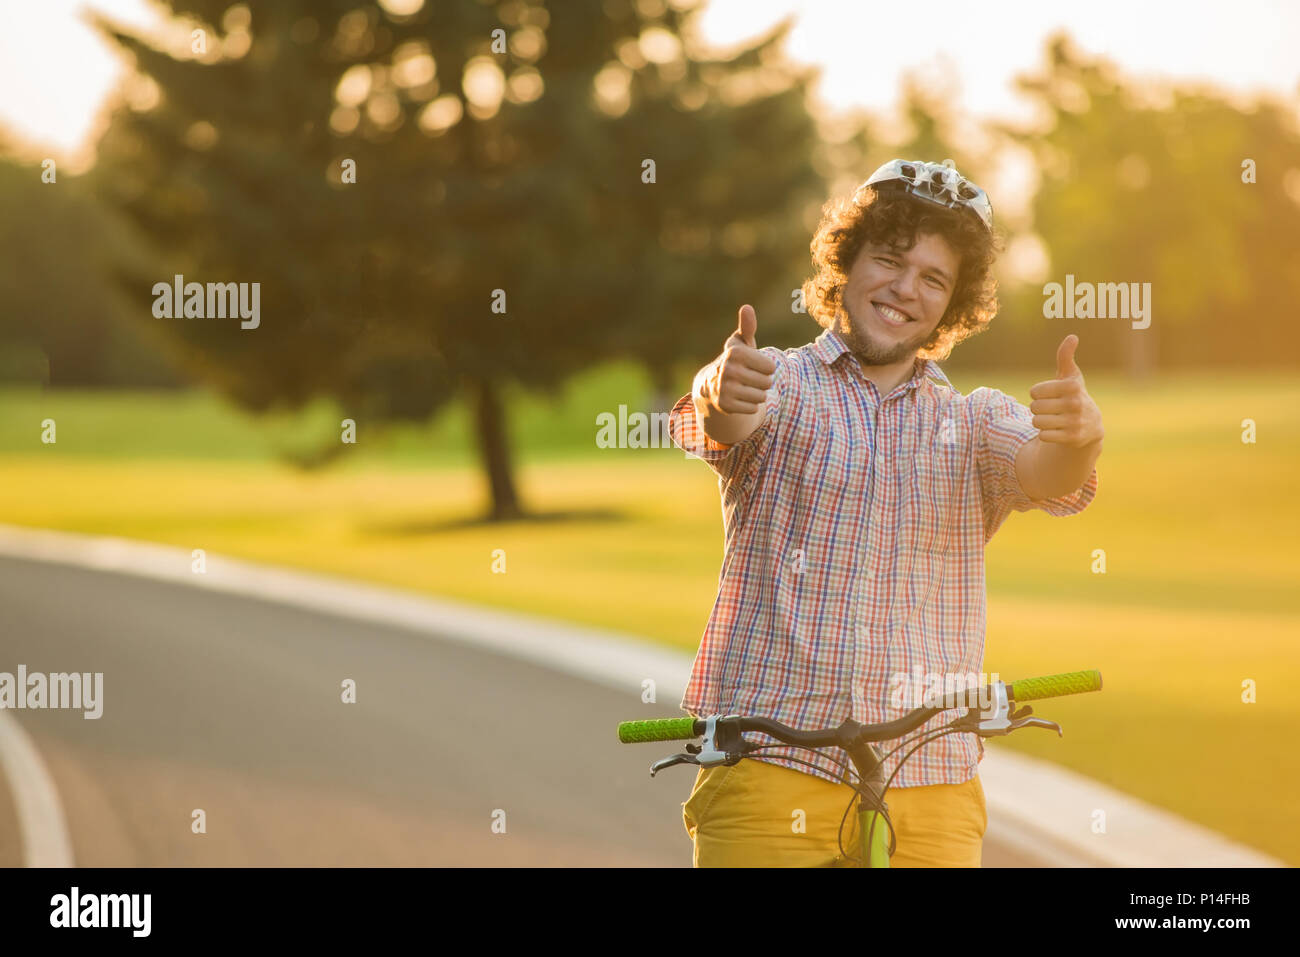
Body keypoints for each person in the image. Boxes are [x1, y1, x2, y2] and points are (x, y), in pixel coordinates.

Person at [666, 159, 1104, 867]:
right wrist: (723, 388)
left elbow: (1047, 470)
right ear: (848, 262)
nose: (906, 288)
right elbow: (725, 416)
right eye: (891, 261)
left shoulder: (973, 421)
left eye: (934, 279)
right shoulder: (781, 383)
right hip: (772, 770)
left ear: (952, 304)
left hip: (930, 787)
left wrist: (1078, 440)